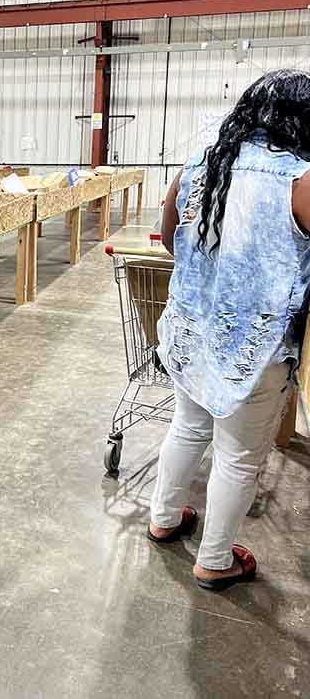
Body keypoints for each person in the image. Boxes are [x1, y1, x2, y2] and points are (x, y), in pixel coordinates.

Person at [148, 69, 310, 590]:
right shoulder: (301, 181)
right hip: (254, 347)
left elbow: (171, 238)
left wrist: (210, 284)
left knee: (188, 427)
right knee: (239, 456)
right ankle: (215, 560)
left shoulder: (201, 165)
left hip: (193, 332)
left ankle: (164, 520)